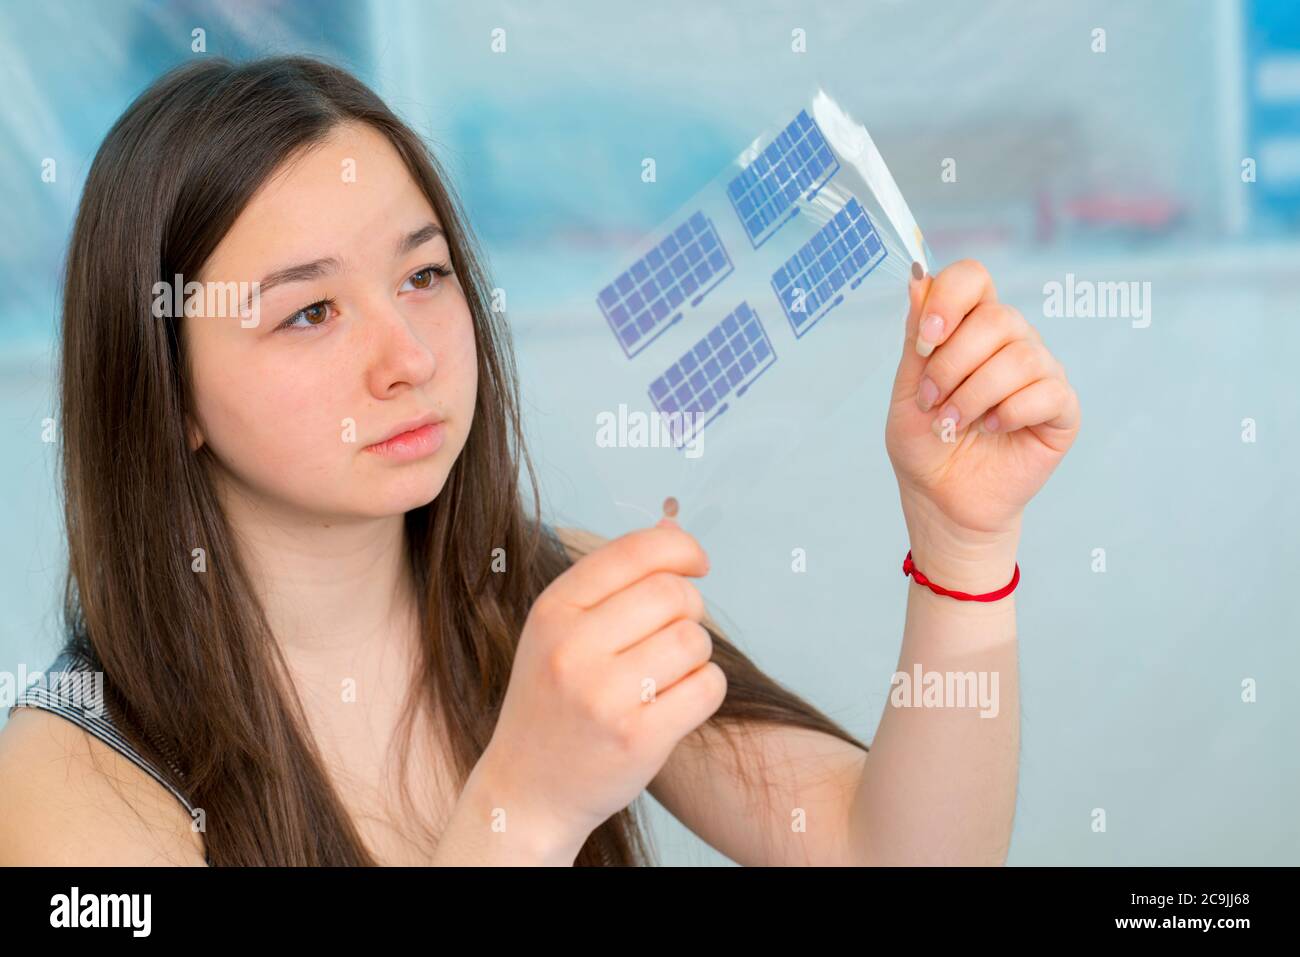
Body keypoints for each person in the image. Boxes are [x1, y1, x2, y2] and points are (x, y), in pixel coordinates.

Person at [0, 55, 1080, 866]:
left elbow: (889, 857)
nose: (409, 357)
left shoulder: (550, 601)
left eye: (423, 278)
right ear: (166, 387)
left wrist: (964, 546)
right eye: (311, 311)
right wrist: (526, 803)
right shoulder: (70, 779)